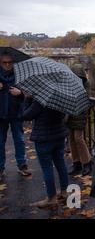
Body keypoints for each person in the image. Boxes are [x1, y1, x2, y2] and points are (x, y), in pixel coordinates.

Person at [19, 95, 69, 209]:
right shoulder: (61, 96)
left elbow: (26, 115)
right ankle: (64, 192)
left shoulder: (41, 98)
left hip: (44, 139)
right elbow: (64, 116)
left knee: (47, 168)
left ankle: (51, 198)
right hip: (59, 135)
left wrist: (27, 99)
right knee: (61, 164)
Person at [0, 52, 31, 180]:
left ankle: (22, 165)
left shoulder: (20, 75)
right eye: (4, 62)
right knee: (0, 142)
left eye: (10, 62)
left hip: (16, 113)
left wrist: (20, 93)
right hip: (1, 114)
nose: (7, 65)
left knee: (19, 140)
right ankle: (0, 168)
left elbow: (29, 94)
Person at [67, 64, 92, 176]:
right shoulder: (69, 84)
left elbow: (85, 99)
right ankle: (76, 163)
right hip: (70, 114)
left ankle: (87, 163)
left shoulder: (85, 85)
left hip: (79, 114)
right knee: (71, 139)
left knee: (78, 138)